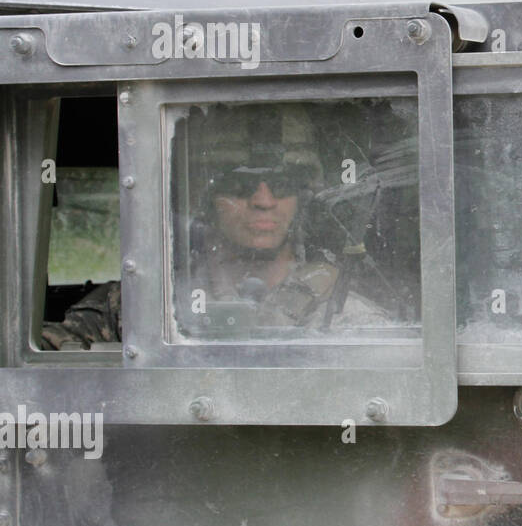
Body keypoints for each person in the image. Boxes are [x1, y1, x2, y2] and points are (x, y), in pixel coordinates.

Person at [42, 103, 393, 349]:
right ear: (204, 195)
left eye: (284, 183)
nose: (264, 200)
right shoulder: (139, 305)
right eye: (239, 185)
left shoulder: (342, 314)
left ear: (303, 195)